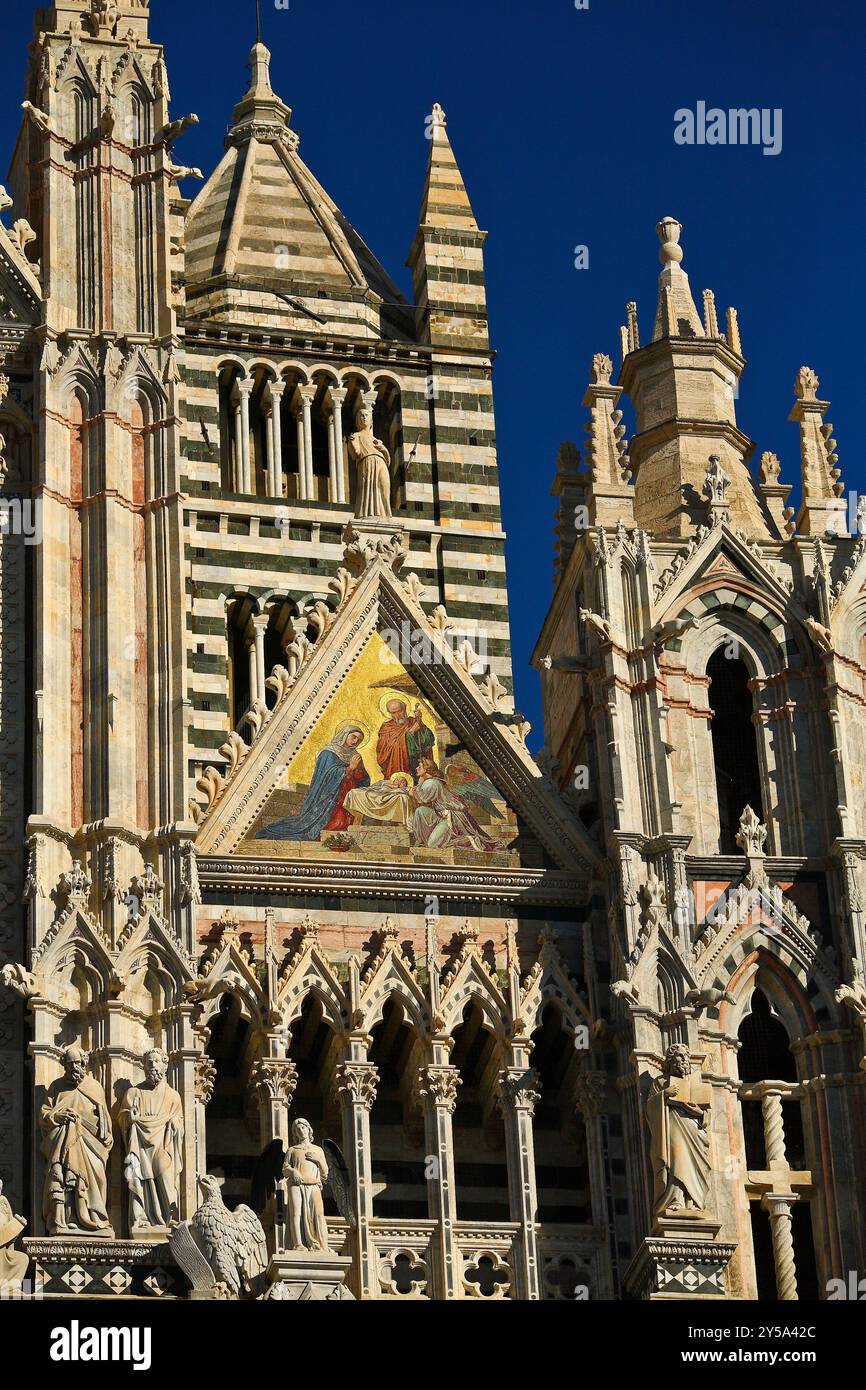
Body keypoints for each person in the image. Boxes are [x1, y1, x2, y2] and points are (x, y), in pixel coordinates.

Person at [40, 1045, 113, 1234]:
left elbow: (105, 1125)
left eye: (77, 1063)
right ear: (64, 1065)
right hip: (63, 1143)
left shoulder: (94, 1087)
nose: (74, 1067)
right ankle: (65, 1218)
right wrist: (59, 1117)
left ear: (84, 1064)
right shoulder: (56, 1087)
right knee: (63, 1177)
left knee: (92, 1174)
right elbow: (45, 1116)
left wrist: (92, 1128)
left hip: (90, 1145)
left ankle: (91, 1215)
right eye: (70, 1063)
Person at [257, 725, 370, 841]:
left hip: (347, 797)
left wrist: (358, 770)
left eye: (359, 740)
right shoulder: (329, 752)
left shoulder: (355, 755)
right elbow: (325, 776)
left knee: (343, 823)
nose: (355, 741)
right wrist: (349, 769)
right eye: (354, 737)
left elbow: (364, 780)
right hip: (329, 798)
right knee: (335, 824)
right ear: (345, 735)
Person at [118, 1048, 184, 1231]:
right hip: (140, 1145)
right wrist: (130, 1118)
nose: (153, 1065)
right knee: (139, 1178)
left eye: (156, 1061)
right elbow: (122, 1119)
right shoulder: (134, 1093)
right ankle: (142, 1218)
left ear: (165, 1065)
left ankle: (169, 1216)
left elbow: (179, 1121)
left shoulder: (173, 1096)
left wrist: (175, 1123)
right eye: (149, 1062)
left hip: (162, 1143)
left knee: (165, 1173)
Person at [411, 756, 497, 852]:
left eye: (420, 766)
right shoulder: (429, 782)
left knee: (432, 844)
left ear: (427, 769)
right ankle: (421, 840)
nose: (416, 768)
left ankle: (471, 840)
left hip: (453, 818)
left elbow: (422, 799)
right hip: (441, 814)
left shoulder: (432, 783)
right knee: (420, 811)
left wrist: (415, 790)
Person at [283, 1118, 330, 1252]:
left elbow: (325, 1174)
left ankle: (321, 1245)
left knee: (318, 1214)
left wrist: (319, 1161)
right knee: (295, 1213)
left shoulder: (318, 1150)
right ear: (295, 1134)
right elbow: (285, 1169)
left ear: (309, 1129)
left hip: (314, 1185)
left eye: (303, 1128)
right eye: (297, 1130)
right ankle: (298, 1243)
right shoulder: (292, 1150)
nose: (300, 1131)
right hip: (296, 1185)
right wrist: (293, 1171)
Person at [347, 406, 392, 518]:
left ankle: (386, 513)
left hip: (381, 464)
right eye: (361, 416)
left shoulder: (377, 440)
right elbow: (356, 453)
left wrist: (383, 448)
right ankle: (369, 513)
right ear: (358, 421)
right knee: (369, 490)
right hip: (367, 463)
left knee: (384, 488)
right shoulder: (356, 436)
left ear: (371, 420)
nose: (363, 417)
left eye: (366, 415)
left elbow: (388, 459)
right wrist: (352, 443)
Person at [376, 699, 435, 779]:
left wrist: (420, 723)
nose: (397, 715)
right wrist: (410, 733)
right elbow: (383, 752)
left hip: (416, 764)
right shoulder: (386, 728)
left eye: (400, 711)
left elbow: (428, 741)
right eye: (393, 713)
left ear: (405, 708)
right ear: (389, 713)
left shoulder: (414, 722)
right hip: (396, 766)